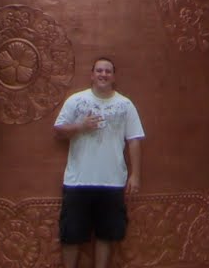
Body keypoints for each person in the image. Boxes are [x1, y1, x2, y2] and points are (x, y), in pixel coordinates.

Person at [54, 56, 145, 268]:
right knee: (71, 236)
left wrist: (135, 175)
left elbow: (134, 141)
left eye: (108, 71)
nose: (103, 74)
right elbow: (58, 131)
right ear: (92, 75)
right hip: (78, 182)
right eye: (99, 71)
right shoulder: (76, 101)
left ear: (114, 76)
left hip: (112, 182)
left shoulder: (125, 105)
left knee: (106, 235)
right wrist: (80, 126)